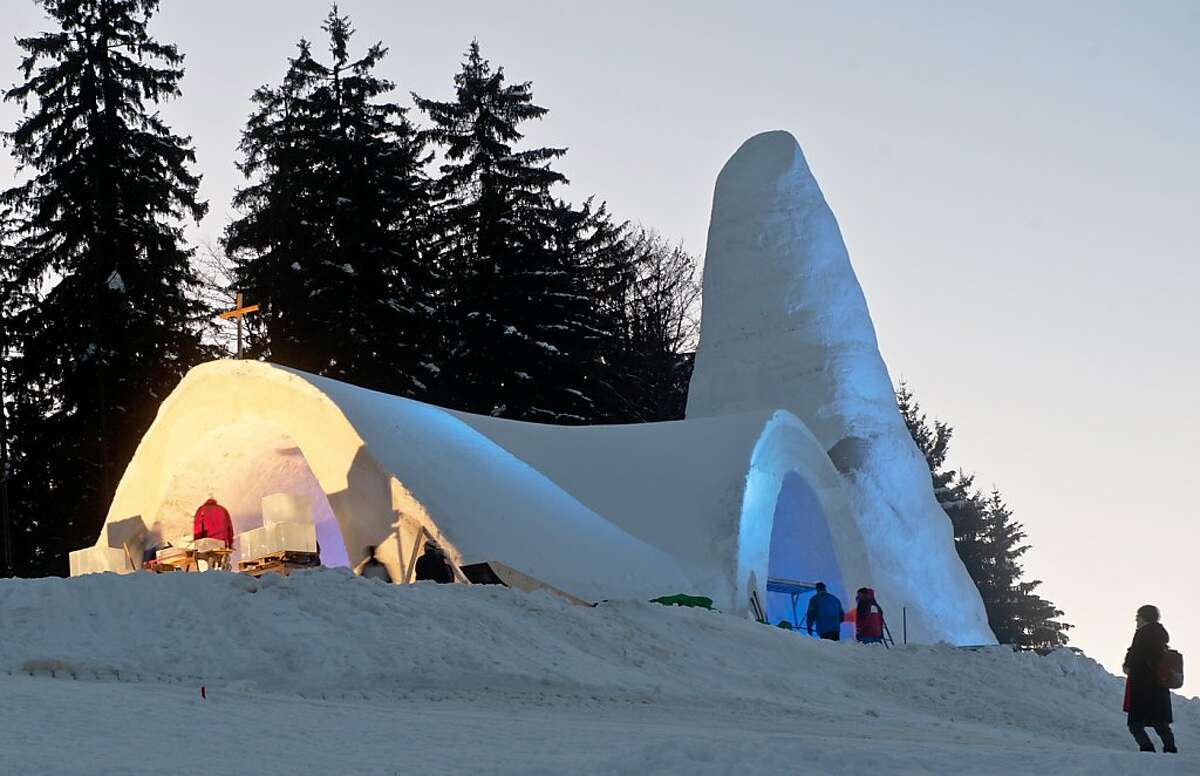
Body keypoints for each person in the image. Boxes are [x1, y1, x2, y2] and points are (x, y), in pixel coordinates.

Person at [1123, 604, 1177, 753]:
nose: (1136, 619)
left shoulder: (1143, 634)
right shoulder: (1160, 635)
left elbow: (1136, 655)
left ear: (1144, 617)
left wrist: (1128, 665)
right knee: (1160, 721)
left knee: (1135, 724)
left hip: (1142, 684)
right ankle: (1170, 750)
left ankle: (1147, 751)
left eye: (1138, 616)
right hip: (1159, 685)